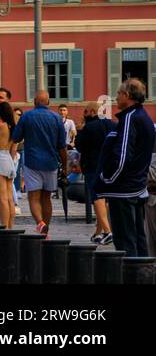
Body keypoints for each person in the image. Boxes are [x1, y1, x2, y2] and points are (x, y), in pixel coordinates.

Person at [97, 79, 155, 257]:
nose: (116, 97)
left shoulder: (130, 118)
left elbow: (122, 155)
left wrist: (107, 178)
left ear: (127, 96)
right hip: (137, 187)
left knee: (125, 241)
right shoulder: (144, 116)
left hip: (123, 189)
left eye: (119, 93)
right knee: (138, 239)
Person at [12, 91, 69, 238]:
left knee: (34, 197)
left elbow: (16, 137)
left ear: (34, 101)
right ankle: (46, 229)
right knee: (46, 198)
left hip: (32, 161)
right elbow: (62, 146)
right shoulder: (57, 118)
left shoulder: (26, 116)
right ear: (48, 102)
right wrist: (65, 167)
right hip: (51, 163)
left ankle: (40, 223)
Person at [74, 101, 114, 244]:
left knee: (97, 198)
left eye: (85, 111)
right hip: (110, 166)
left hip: (93, 166)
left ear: (92, 112)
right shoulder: (112, 124)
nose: (84, 114)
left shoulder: (88, 128)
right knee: (105, 199)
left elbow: (79, 147)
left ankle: (108, 231)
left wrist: (79, 131)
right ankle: (98, 232)